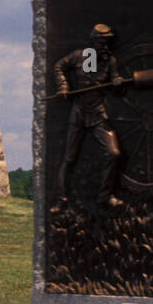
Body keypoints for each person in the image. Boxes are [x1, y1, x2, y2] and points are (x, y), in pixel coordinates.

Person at [54, 23, 126, 209]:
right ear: (94, 43)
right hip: (79, 112)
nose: (106, 47)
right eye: (102, 43)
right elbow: (59, 66)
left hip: (98, 113)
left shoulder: (110, 62)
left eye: (108, 43)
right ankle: (62, 200)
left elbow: (115, 89)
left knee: (113, 153)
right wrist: (63, 86)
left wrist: (118, 84)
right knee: (70, 158)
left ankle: (105, 196)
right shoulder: (83, 55)